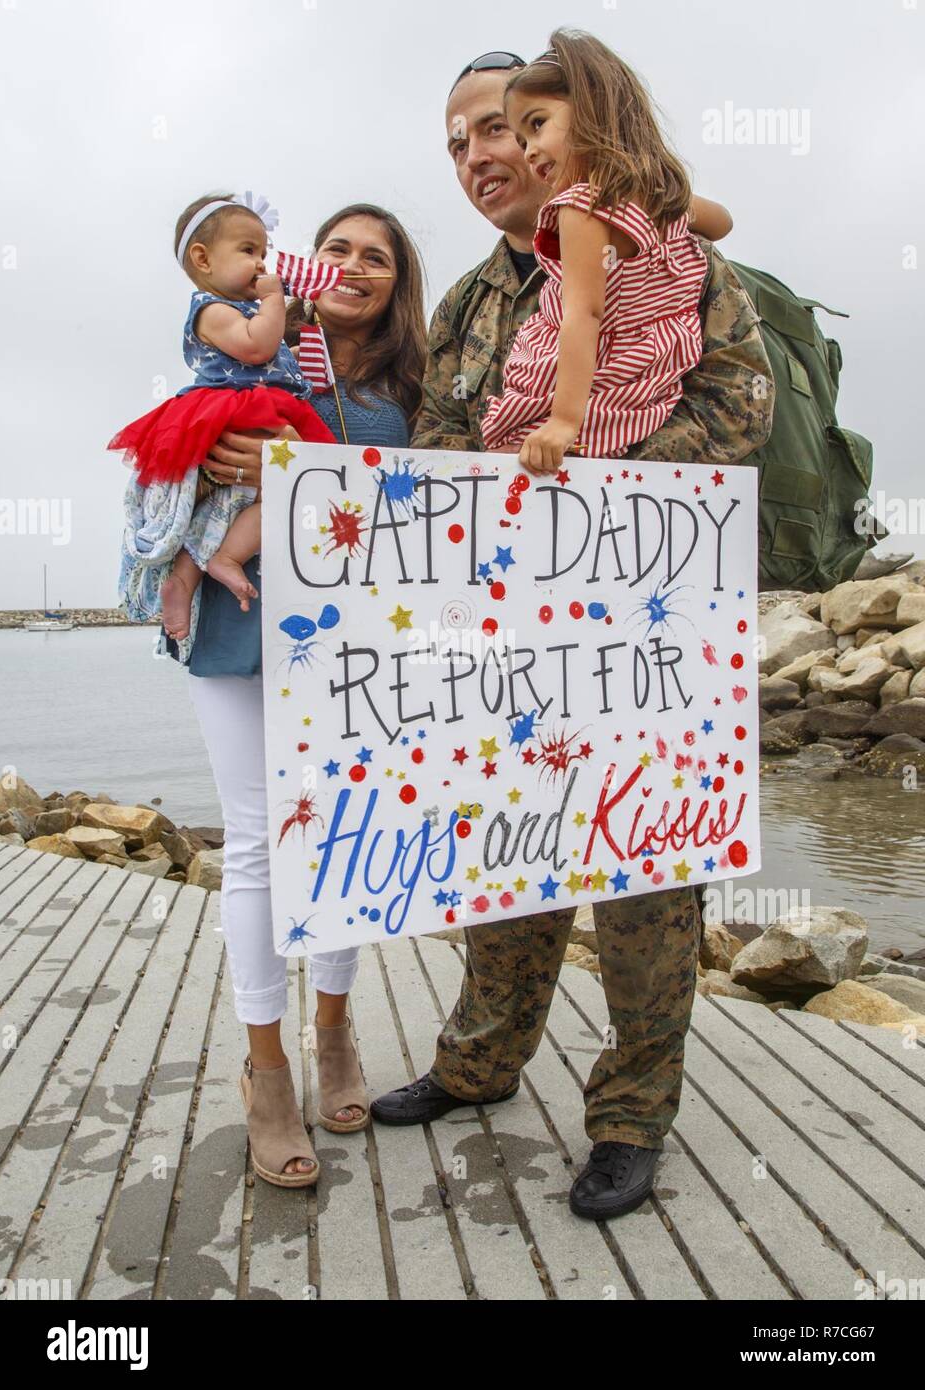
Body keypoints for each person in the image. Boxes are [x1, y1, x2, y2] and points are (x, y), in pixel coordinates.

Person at [370, 35, 775, 1223]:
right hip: (512, 642)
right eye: (454, 144)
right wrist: (493, 504)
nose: (478, 156)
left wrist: (595, 487)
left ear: (561, 130)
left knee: (648, 881)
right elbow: (439, 437)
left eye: (496, 127)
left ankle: (630, 1115)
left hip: (650, 636)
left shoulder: (674, 255)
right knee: (506, 853)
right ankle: (479, 1063)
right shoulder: (469, 301)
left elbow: (737, 404)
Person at [164, 204, 427, 1186]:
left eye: (380, 258)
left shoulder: (406, 395)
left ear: (399, 286)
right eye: (340, 250)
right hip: (238, 624)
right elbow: (171, 474)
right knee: (253, 835)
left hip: (348, 643)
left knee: (342, 826)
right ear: (302, 264)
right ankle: (266, 1067)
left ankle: (336, 1030)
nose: (355, 267)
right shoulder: (246, 342)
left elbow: (416, 518)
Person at [111, 191, 381, 645]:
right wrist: (276, 299)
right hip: (232, 408)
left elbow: (267, 355)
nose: (261, 264)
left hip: (258, 405)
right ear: (203, 259)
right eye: (248, 251)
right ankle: (192, 571)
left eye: (263, 251)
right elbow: (256, 347)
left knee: (274, 494)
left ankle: (210, 562)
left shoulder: (248, 311)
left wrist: (290, 357)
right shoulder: (212, 309)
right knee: (258, 486)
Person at [481, 33, 733, 472]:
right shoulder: (659, 202)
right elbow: (723, 222)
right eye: (522, 141)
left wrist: (562, 423)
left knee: (519, 475)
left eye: (537, 124)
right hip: (636, 391)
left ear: (593, 106)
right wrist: (669, 202)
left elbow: (585, 315)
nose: (531, 151)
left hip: (577, 394)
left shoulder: (581, 208)